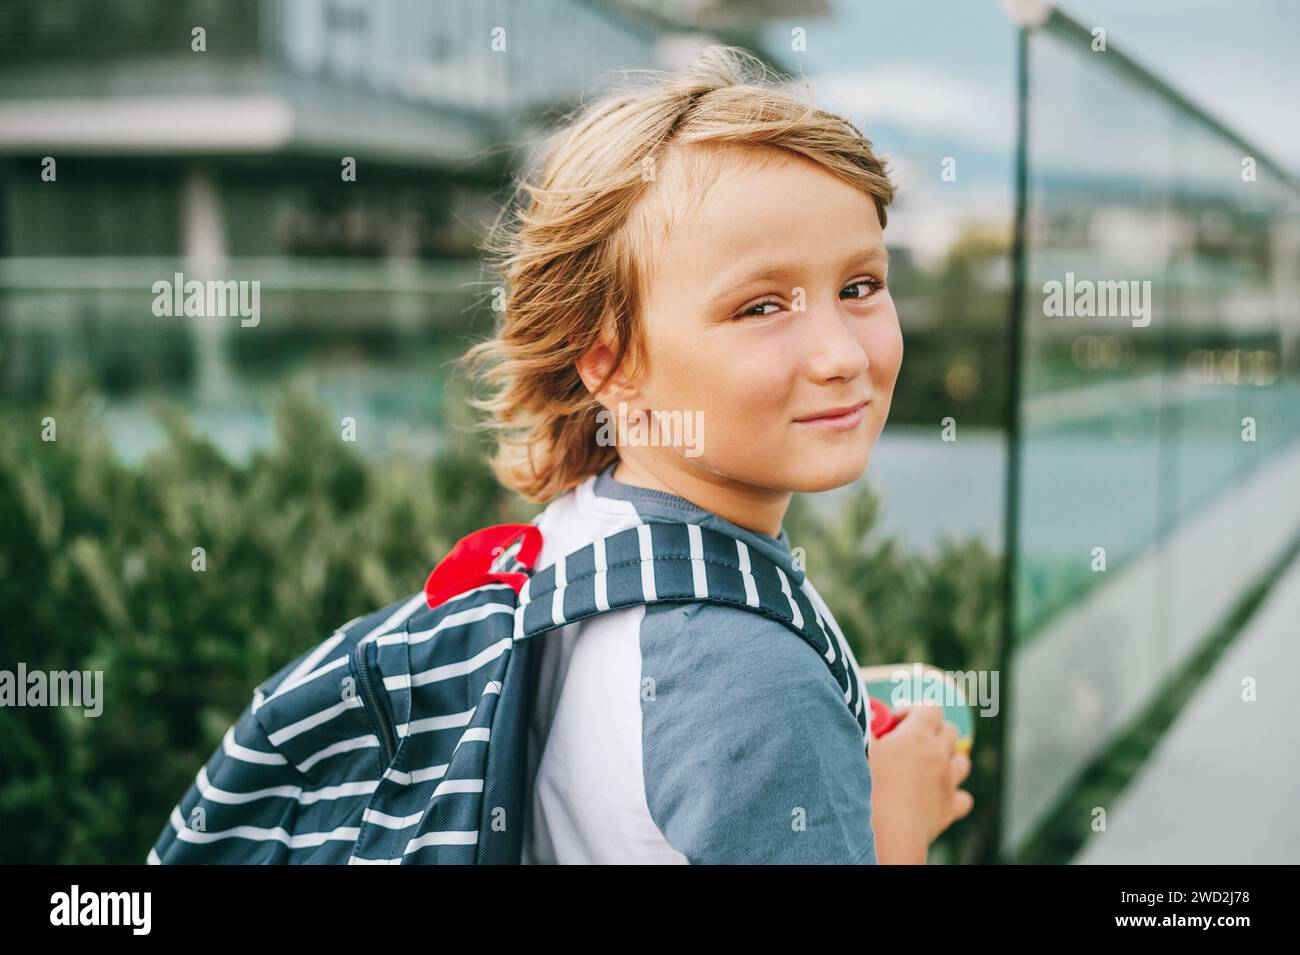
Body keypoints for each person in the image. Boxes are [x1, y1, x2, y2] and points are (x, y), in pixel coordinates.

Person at [459, 44, 972, 864]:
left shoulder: (579, 533)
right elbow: (728, 704)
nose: (840, 353)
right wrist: (895, 823)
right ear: (611, 361)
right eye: (761, 306)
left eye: (859, 286)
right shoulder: (757, 692)